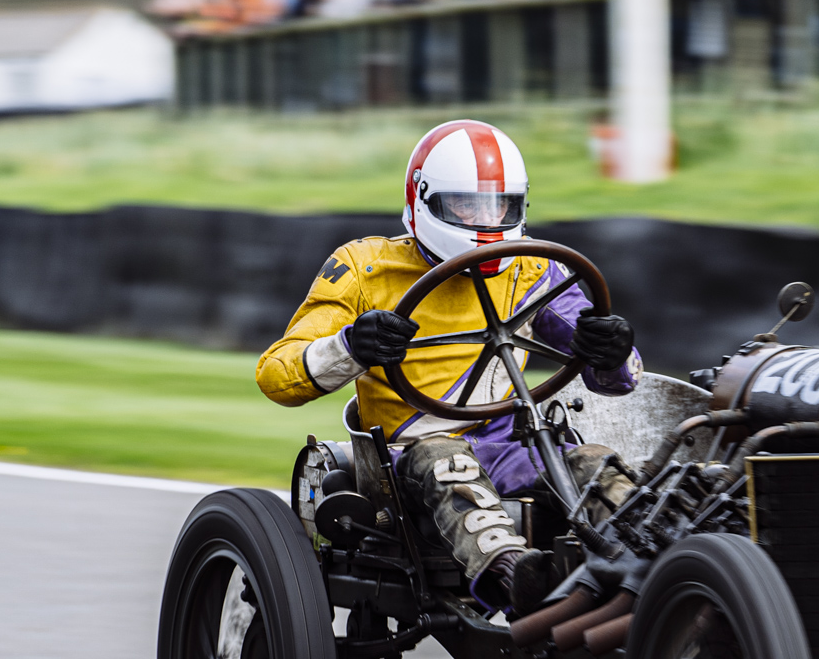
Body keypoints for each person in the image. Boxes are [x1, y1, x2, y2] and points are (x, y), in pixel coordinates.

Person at [255, 120, 641, 627]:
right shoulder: (363, 267)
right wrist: (350, 345)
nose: (486, 220)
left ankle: (656, 563)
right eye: (467, 205)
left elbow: (617, 381)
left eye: (498, 204)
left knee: (595, 462)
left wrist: (610, 349)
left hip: (514, 445)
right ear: (424, 198)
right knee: (445, 459)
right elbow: (276, 376)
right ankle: (512, 574)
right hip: (405, 459)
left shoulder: (533, 269)